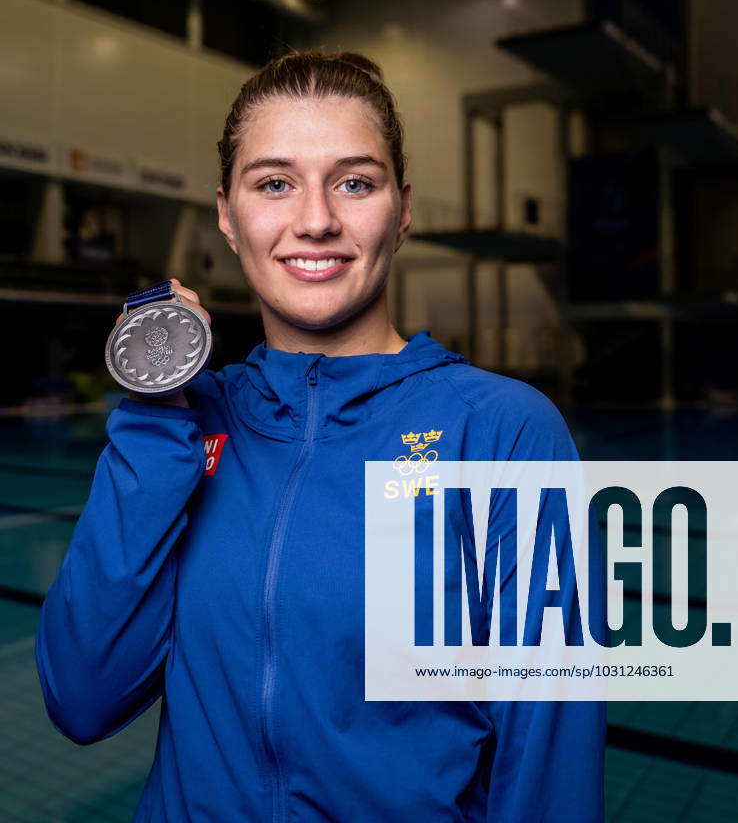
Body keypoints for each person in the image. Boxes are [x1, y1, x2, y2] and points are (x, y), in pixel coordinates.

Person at [35, 49, 606, 821]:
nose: (314, 220)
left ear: (400, 209)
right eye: (274, 183)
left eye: (354, 182)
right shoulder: (181, 423)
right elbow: (82, 697)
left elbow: (549, 761)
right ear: (227, 215)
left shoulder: (502, 431)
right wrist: (154, 412)